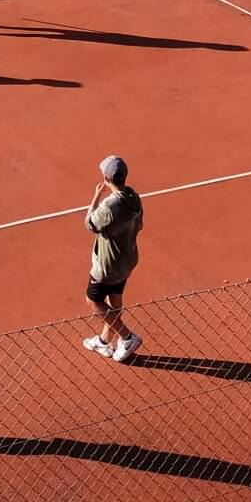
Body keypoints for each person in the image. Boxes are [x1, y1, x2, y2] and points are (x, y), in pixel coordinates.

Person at [82, 155, 143, 363]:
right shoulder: (134, 198)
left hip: (107, 265)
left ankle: (127, 337)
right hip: (126, 260)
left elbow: (90, 224)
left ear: (107, 179)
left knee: (93, 300)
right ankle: (104, 340)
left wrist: (95, 198)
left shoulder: (109, 206)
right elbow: (140, 225)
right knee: (115, 300)